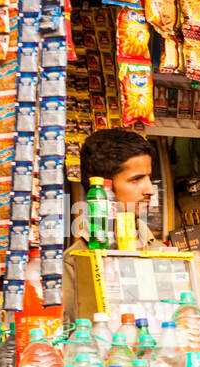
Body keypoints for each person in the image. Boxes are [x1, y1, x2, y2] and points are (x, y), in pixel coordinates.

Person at [63, 129, 164, 324]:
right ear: (104, 188)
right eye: (137, 179)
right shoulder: (75, 262)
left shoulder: (161, 251)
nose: (150, 190)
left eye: (149, 177)